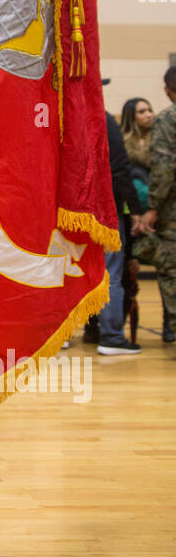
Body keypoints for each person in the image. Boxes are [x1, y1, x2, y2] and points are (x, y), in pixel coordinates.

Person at [122, 95, 173, 342]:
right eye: (142, 111)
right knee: (125, 271)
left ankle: (169, 325)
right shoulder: (124, 143)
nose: (149, 114)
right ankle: (111, 328)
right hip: (134, 216)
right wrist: (137, 214)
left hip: (162, 214)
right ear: (132, 116)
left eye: (150, 109)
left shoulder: (162, 138)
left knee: (168, 268)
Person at [97, 110, 144, 354]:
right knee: (110, 272)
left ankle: (65, 334)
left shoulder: (57, 114)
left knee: (66, 270)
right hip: (104, 207)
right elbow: (119, 168)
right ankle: (111, 337)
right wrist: (134, 208)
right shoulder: (103, 119)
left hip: (67, 208)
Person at [137, 67, 176, 348]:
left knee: (171, 267)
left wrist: (152, 207)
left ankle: (173, 328)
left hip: (172, 210)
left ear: (167, 91)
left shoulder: (167, 120)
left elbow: (164, 168)